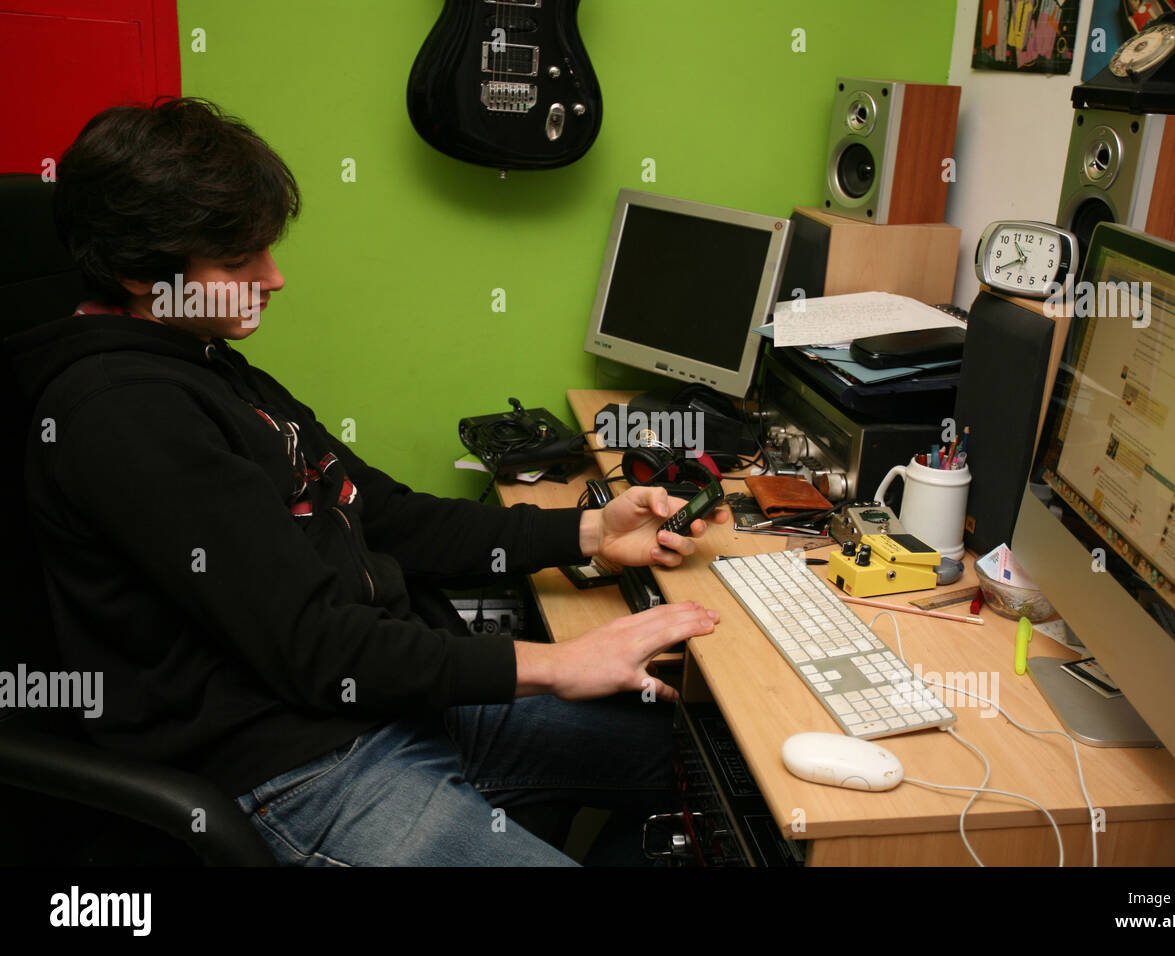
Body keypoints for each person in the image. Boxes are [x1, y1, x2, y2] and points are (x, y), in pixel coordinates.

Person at [11, 97, 728, 866]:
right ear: (139, 271)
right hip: (301, 771)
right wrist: (557, 665)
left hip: (391, 703)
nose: (275, 277)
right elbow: (315, 646)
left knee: (714, 775)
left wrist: (586, 533)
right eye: (239, 260)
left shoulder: (204, 362)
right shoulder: (125, 416)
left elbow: (383, 515)